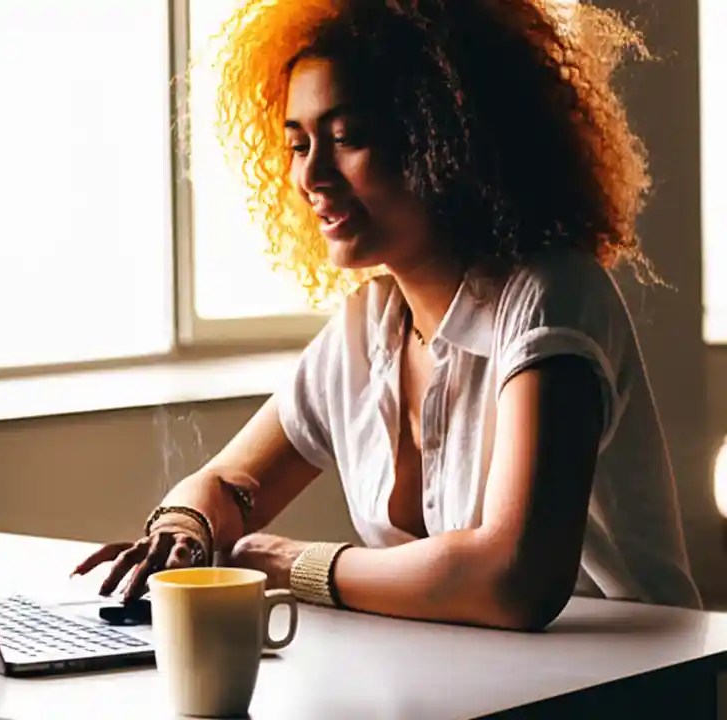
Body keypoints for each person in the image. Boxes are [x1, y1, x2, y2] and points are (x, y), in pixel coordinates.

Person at [73, 0, 702, 630]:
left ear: (446, 140)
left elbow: (516, 579)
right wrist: (184, 526)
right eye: (297, 144)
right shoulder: (367, 326)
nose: (311, 174)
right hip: (478, 683)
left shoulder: (552, 295)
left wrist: (293, 565)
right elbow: (230, 481)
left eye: (347, 138)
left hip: (630, 685)